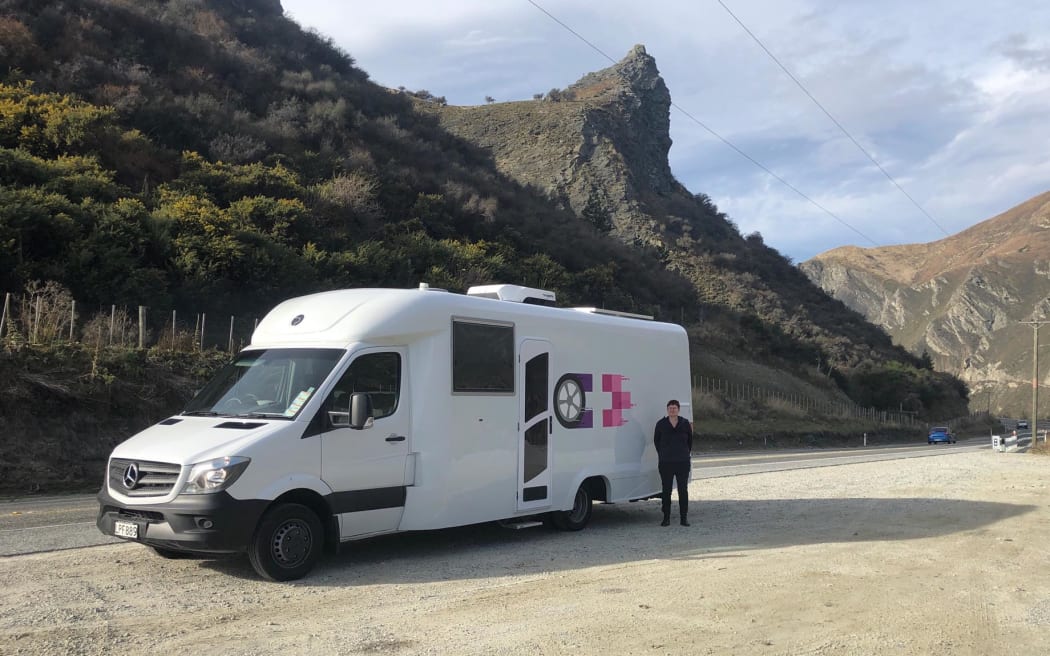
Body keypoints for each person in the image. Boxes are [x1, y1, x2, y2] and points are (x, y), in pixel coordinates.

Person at [653, 399, 693, 526]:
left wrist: (684, 453)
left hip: (682, 462)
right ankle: (666, 518)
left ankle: (683, 517)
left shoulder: (685, 423)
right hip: (666, 463)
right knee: (666, 490)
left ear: (678, 409)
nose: (672, 410)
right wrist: (663, 454)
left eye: (674, 408)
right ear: (667, 409)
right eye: (670, 408)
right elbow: (656, 441)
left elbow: (690, 441)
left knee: (683, 490)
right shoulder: (661, 424)